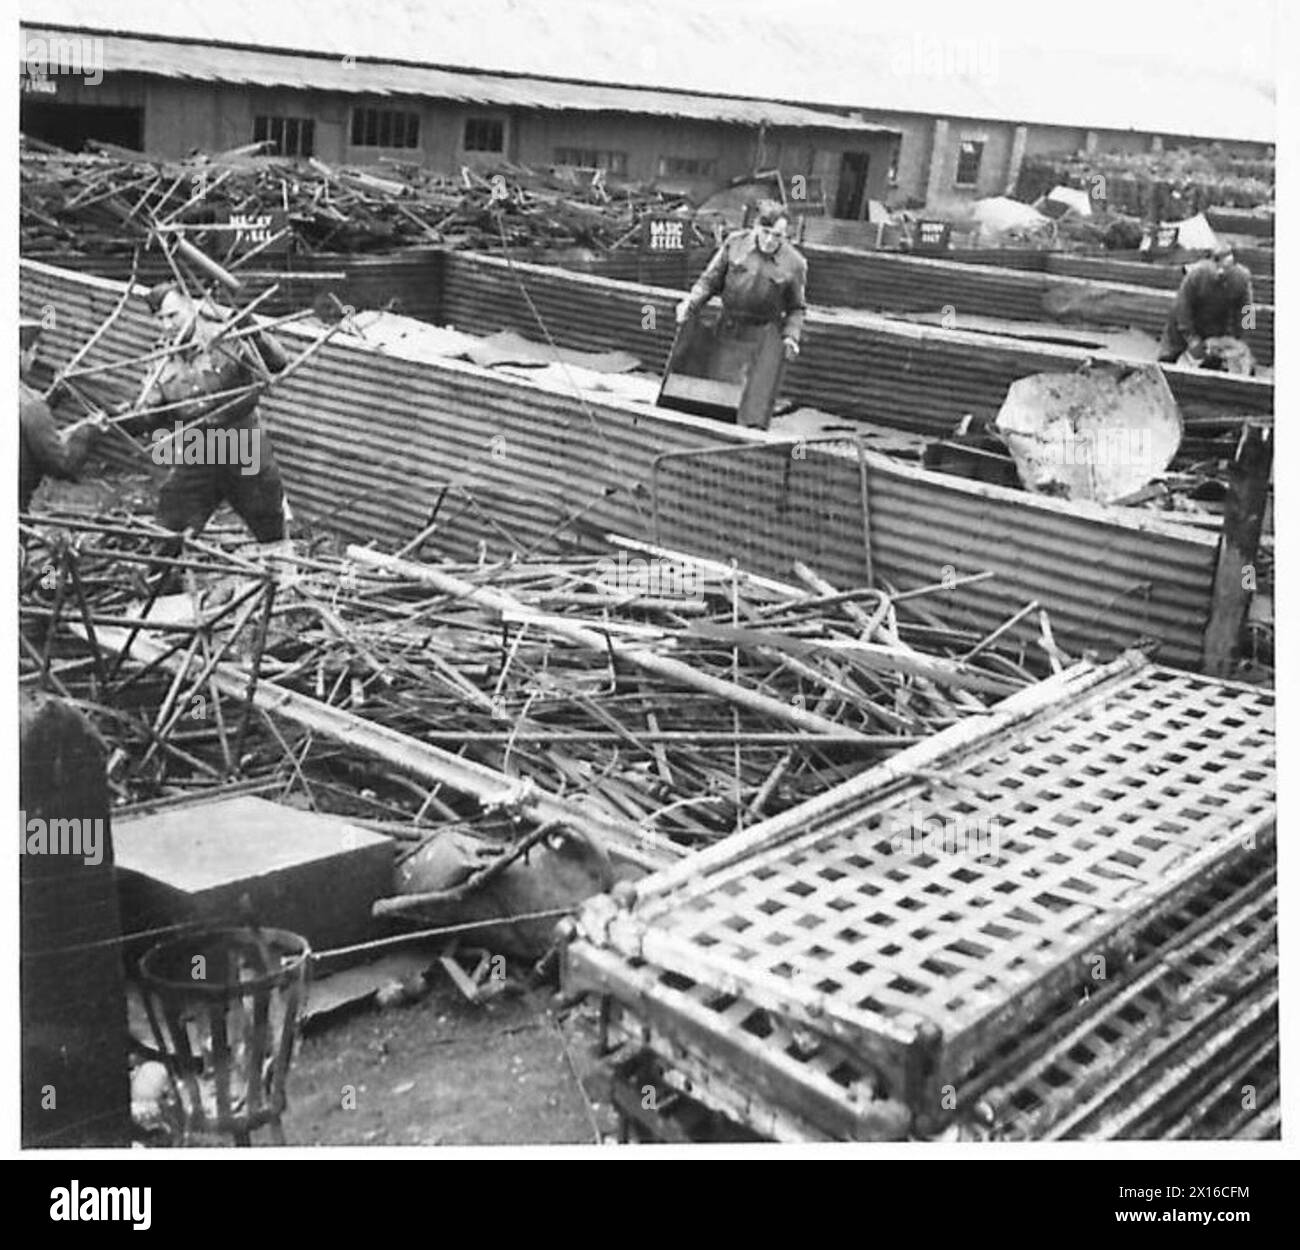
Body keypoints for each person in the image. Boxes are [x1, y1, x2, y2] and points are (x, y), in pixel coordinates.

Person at [122, 283, 290, 547]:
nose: (168, 325)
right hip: (198, 450)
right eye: (161, 319)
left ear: (190, 305)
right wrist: (121, 418)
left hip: (242, 444)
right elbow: (153, 413)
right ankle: (162, 583)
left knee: (269, 526)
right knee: (169, 528)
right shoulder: (162, 357)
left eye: (173, 315)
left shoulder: (225, 336)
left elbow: (278, 363)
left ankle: (281, 581)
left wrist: (255, 332)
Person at [676, 200, 807, 362]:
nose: (769, 241)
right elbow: (709, 282)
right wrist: (690, 303)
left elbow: (796, 309)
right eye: (766, 232)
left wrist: (791, 337)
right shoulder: (735, 243)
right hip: (726, 329)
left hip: (763, 340)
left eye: (777, 236)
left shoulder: (795, 263)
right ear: (756, 227)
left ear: (786, 235)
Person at [19, 318, 108, 512]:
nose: (33, 359)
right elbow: (61, 464)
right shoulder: (31, 406)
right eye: (33, 351)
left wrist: (53, 398)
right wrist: (89, 430)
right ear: (20, 354)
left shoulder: (30, 404)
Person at [1158, 244, 1254, 366]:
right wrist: (1191, 339)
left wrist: (1241, 339)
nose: (1221, 271)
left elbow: (1247, 311)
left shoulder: (1242, 279)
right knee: (1168, 361)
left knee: (1217, 363)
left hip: (1214, 328)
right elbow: (1182, 309)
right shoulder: (1196, 275)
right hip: (1181, 329)